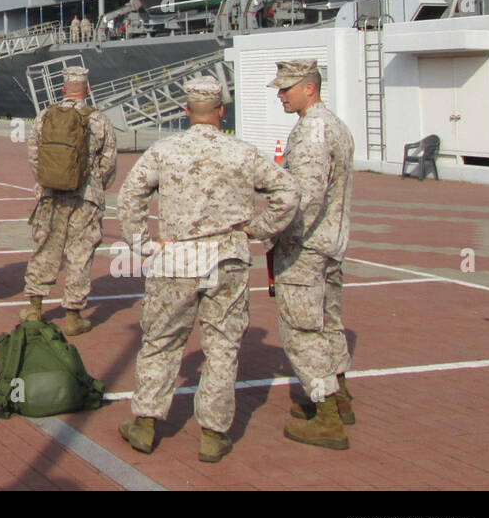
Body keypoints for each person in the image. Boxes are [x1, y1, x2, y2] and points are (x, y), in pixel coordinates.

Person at [116, 76, 300, 463]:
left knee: (161, 341)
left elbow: (130, 194)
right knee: (223, 347)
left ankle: (146, 423)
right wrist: (258, 228)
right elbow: (289, 193)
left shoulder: (164, 151)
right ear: (221, 111)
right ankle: (213, 434)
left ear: (186, 112)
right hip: (227, 258)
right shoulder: (242, 152)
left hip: (177, 258)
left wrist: (143, 244)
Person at [268, 59, 356, 450]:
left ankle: (327, 416)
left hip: (306, 246)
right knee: (328, 323)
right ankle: (338, 396)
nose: (279, 95)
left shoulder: (312, 131)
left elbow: (306, 195)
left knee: (302, 330)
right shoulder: (335, 124)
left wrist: (275, 232)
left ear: (309, 88)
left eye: (286, 88)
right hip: (332, 242)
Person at [21, 66, 117, 334]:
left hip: (51, 196)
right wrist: (97, 185)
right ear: (87, 90)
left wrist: (48, 181)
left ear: (63, 89)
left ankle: (34, 308)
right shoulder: (98, 120)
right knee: (80, 253)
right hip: (86, 197)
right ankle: (73, 316)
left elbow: (34, 156)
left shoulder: (45, 116)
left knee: (46, 249)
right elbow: (109, 162)